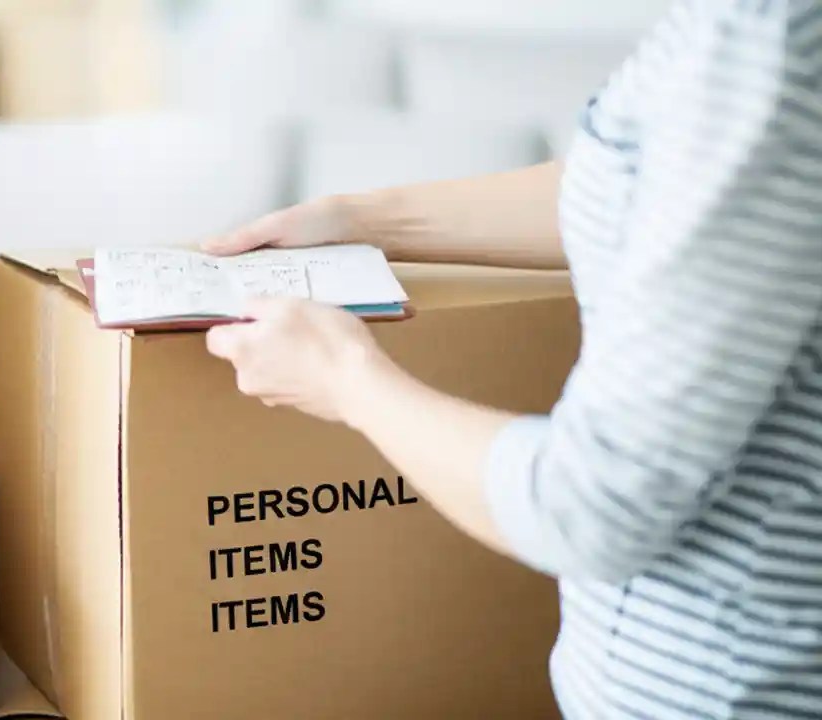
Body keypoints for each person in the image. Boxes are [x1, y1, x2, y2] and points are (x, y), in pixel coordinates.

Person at [202, 1, 822, 718]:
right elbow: (663, 186)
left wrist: (346, 380)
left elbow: (595, 503)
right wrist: (365, 222)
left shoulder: (773, 42)